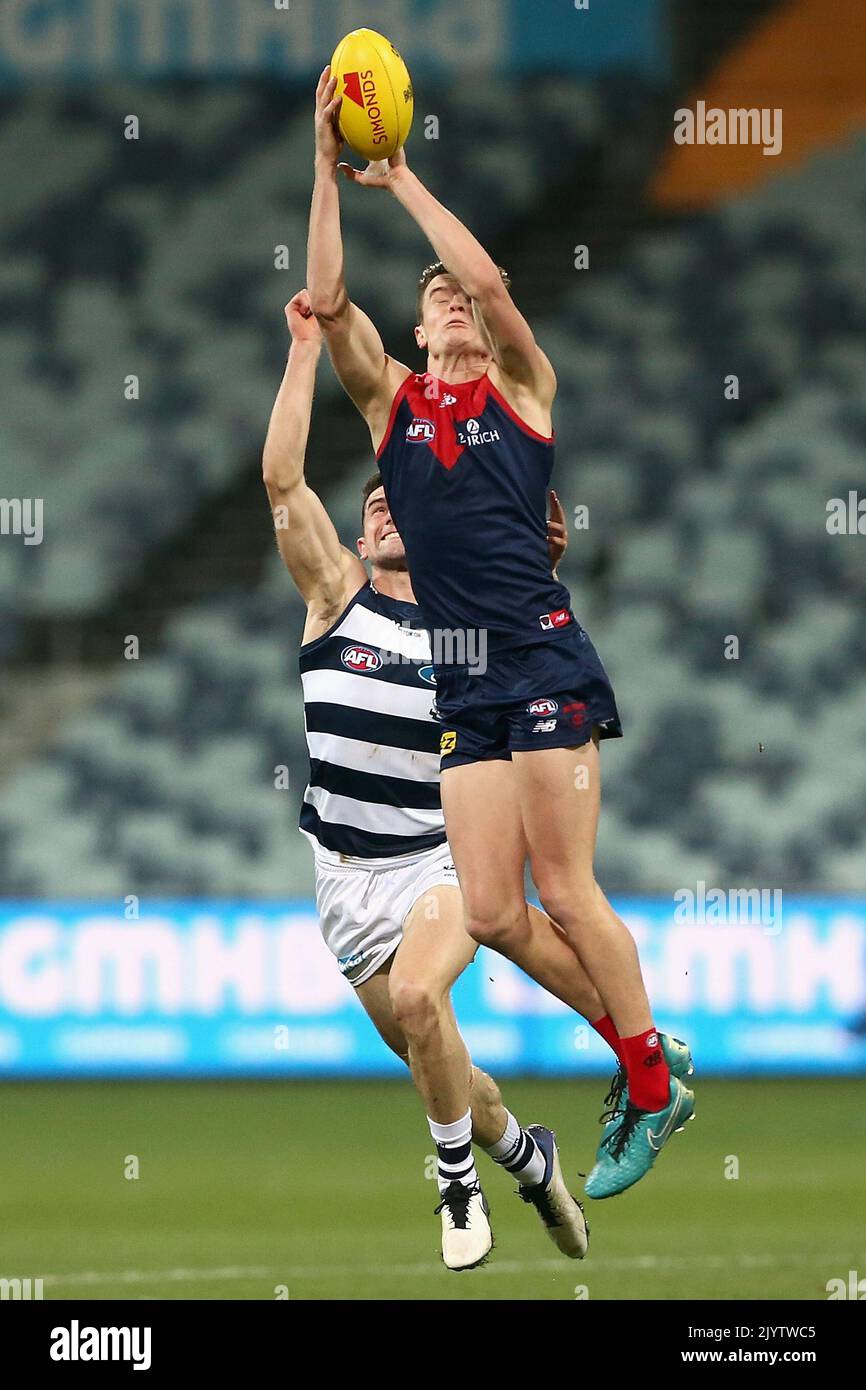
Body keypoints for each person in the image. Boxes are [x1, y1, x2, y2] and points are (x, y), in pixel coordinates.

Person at [306, 66, 695, 1200]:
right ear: (420, 332)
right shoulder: (394, 412)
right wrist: (320, 169)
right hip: (462, 682)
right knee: (491, 911)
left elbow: (487, 273)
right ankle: (644, 1051)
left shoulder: (523, 390)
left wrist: (403, 179)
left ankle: (648, 1084)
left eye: (462, 302)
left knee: (567, 891)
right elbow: (329, 305)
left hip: (536, 656)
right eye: (436, 304)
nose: (455, 308)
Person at [264, 288, 602, 1270]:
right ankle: (526, 1160)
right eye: (368, 501)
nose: (378, 504)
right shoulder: (333, 603)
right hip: (342, 878)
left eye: (391, 494)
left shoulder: (467, 626)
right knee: (444, 1065)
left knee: (421, 1001)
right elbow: (283, 482)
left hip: (438, 860)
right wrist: (299, 352)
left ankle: (456, 1193)